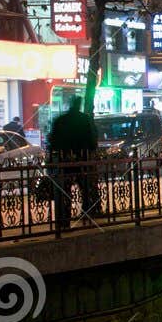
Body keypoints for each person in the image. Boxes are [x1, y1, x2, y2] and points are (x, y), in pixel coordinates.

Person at [46, 97, 99, 228]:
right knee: (85, 187)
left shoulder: (61, 120)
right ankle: (87, 213)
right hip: (82, 158)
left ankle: (64, 219)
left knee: (65, 189)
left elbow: (52, 140)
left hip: (64, 159)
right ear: (79, 105)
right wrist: (91, 151)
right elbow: (92, 139)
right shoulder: (84, 119)